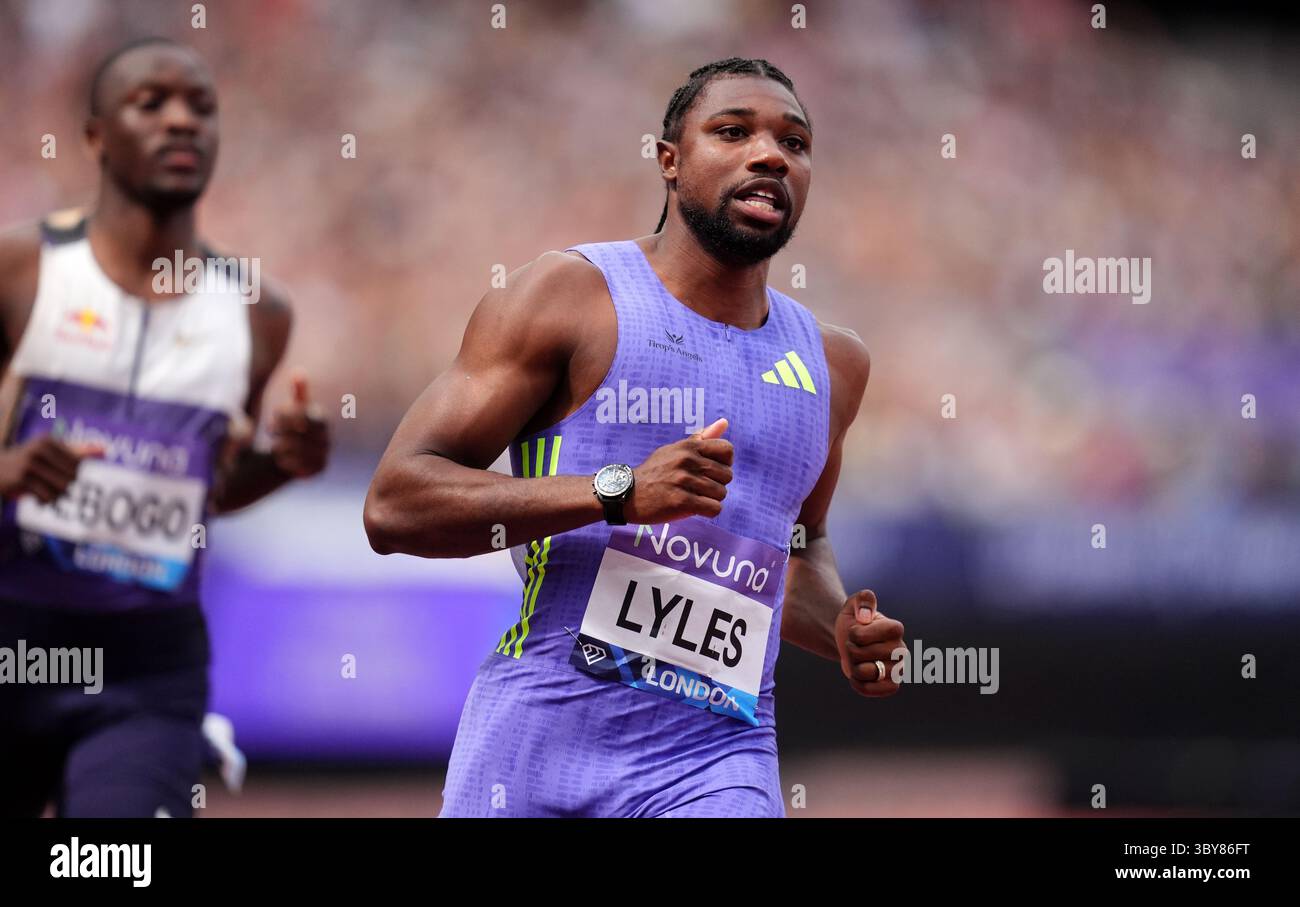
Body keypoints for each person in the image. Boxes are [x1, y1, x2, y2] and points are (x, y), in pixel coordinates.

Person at [365, 57, 905, 818]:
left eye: (796, 142)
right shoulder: (568, 297)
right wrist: (616, 491)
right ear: (668, 160)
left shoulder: (834, 364)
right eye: (732, 131)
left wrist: (842, 626)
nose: (770, 155)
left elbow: (796, 547)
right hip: (534, 746)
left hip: (717, 761)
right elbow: (394, 503)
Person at [0, 37, 329, 817]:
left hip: (145, 664)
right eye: (152, 105)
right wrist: (10, 472)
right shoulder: (23, 270)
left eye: (202, 108)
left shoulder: (257, 311)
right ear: (94, 136)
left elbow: (205, 490)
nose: (182, 123)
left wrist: (283, 462)